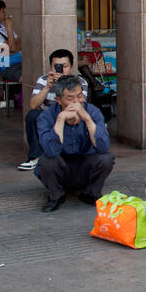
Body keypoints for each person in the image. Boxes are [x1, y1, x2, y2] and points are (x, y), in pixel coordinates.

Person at [34, 76, 114, 213]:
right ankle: (56, 196)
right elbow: (51, 150)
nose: (77, 102)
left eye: (80, 96)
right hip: (61, 168)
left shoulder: (93, 111)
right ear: (58, 100)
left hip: (85, 166)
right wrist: (60, 119)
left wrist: (87, 119)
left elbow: (103, 146)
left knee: (106, 158)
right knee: (47, 161)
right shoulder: (46, 116)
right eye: (70, 98)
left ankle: (90, 193)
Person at [19, 48, 91, 171]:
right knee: (32, 115)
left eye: (65, 66)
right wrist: (48, 87)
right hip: (47, 117)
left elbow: (79, 106)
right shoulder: (44, 80)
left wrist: (65, 86)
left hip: (70, 116)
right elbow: (33, 105)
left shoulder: (80, 82)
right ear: (51, 67)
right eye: (56, 66)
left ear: (71, 67)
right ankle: (35, 157)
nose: (61, 70)